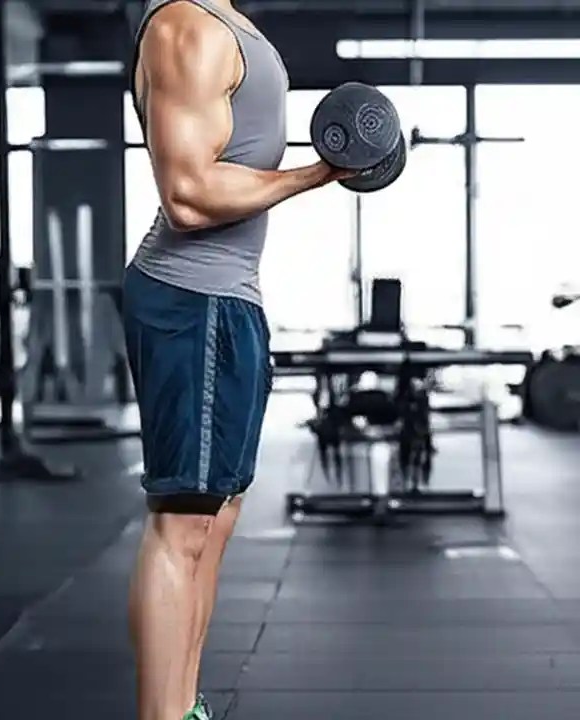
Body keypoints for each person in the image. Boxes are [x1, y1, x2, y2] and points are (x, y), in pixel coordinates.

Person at [123, 1, 354, 719]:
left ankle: (186, 707)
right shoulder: (186, 26)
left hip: (230, 298)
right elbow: (188, 196)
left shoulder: (234, 25)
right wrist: (317, 174)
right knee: (183, 522)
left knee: (213, 519)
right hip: (192, 296)